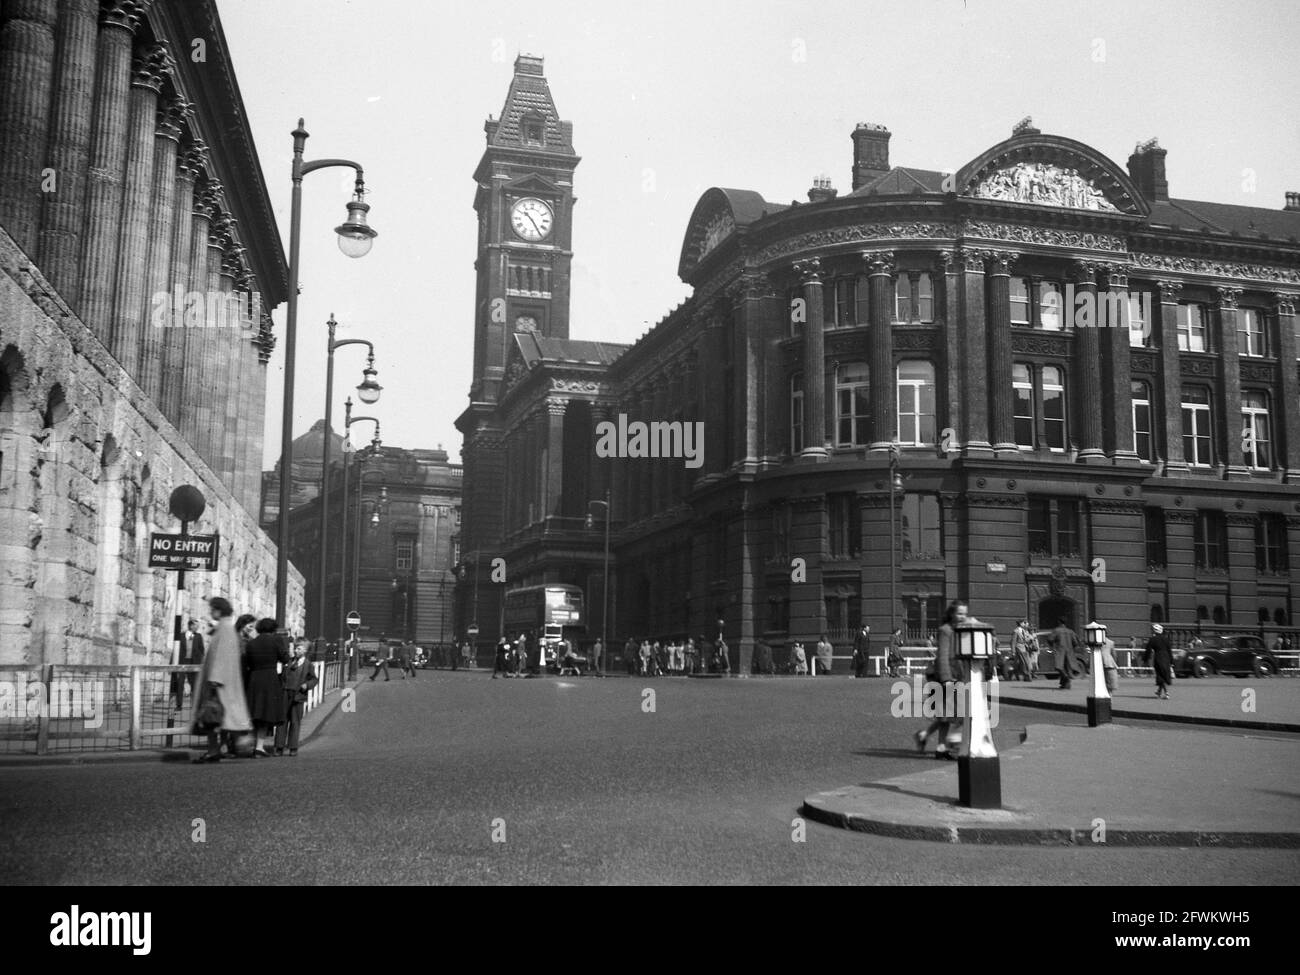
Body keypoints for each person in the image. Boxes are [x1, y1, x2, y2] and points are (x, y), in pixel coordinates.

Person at [189, 597, 253, 763]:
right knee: (220, 719)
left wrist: (215, 679)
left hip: (219, 684)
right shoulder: (225, 628)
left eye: (212, 609)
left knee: (213, 717)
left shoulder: (225, 629)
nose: (210, 612)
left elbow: (222, 655)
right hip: (224, 683)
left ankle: (220, 748)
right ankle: (221, 747)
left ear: (218, 610)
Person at [915, 600, 968, 759]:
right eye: (959, 613)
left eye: (965, 614)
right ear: (951, 614)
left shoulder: (962, 630)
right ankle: (950, 742)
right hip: (946, 678)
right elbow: (943, 657)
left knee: (946, 715)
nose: (962, 617)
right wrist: (946, 679)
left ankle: (937, 745)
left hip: (958, 676)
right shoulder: (945, 630)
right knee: (956, 713)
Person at [244, 618, 290, 757]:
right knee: (265, 714)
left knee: (255, 713)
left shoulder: (252, 643)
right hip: (270, 678)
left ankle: (251, 745)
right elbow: (285, 659)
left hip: (254, 678)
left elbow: (248, 662)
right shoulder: (276, 640)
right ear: (273, 629)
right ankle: (259, 746)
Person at [275, 640, 318, 756]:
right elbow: (282, 676)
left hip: (298, 695)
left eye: (299, 648)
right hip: (285, 693)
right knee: (282, 720)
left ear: (305, 650)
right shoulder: (289, 662)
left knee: (295, 721)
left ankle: (293, 747)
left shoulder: (308, 665)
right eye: (295, 648)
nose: (295, 650)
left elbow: (314, 679)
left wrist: (306, 685)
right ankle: (279, 746)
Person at [173, 618, 205, 710]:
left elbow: (202, 650)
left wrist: (200, 661)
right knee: (180, 683)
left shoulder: (198, 636)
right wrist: (173, 663)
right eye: (195, 625)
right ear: (190, 625)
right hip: (182, 662)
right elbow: (176, 650)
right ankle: (179, 705)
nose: (197, 627)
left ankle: (194, 705)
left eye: (198, 626)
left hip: (193, 663)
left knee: (194, 684)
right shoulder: (181, 635)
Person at [1146, 623, 1173, 700]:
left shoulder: (1153, 639)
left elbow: (1148, 650)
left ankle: (1167, 693)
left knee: (1160, 676)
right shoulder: (1166, 639)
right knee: (1164, 674)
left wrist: (1146, 658)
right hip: (1166, 658)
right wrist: (1171, 661)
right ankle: (1159, 691)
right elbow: (1169, 650)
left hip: (1158, 658)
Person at [1051, 619, 1080, 689]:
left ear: (1059, 622)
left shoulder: (1057, 630)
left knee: (1059, 667)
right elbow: (1076, 642)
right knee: (1066, 667)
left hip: (1060, 651)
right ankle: (1065, 684)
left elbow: (1050, 639)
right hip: (1069, 652)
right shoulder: (1070, 631)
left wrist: (1053, 646)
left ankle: (1066, 678)